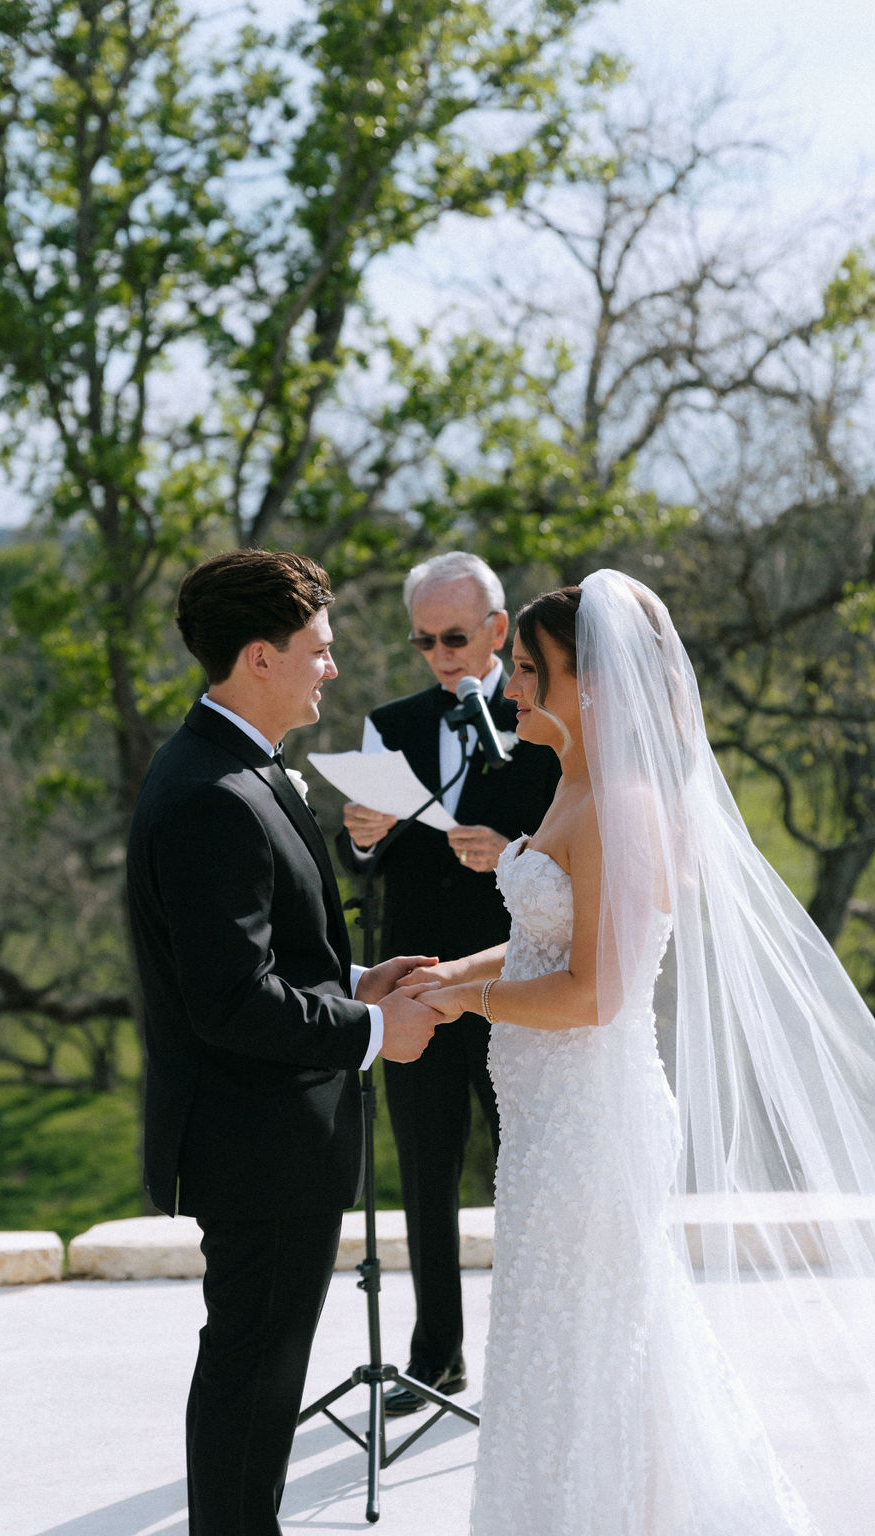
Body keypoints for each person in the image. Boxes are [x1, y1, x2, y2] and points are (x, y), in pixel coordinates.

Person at [407, 569, 875, 1534]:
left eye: (530, 670)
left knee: (597, 1345)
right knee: (563, 1341)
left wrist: (466, 1000)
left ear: (589, 684)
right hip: (549, 1117)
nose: (509, 689)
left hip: (594, 1118)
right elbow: (556, 940)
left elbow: (598, 992)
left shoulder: (624, 802)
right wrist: (448, 969)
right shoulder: (571, 784)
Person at [125, 549, 442, 1536]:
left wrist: (356, 982)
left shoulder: (240, 767)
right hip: (252, 1144)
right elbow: (228, 1001)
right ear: (259, 657)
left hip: (276, 1140)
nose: (332, 668)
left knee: (260, 1382)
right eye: (320, 650)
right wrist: (373, 1032)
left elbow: (270, 958)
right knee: (251, 1385)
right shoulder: (209, 793)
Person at [337, 552, 560, 1414]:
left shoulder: (543, 718)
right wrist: (362, 833)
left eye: (456, 637)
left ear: (499, 631)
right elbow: (362, 860)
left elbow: (581, 849)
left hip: (520, 983)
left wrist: (507, 852)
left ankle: (536, 1351)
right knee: (426, 1175)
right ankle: (436, 1359)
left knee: (528, 1172)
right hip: (417, 991)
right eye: (425, 640)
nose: (441, 655)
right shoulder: (388, 723)